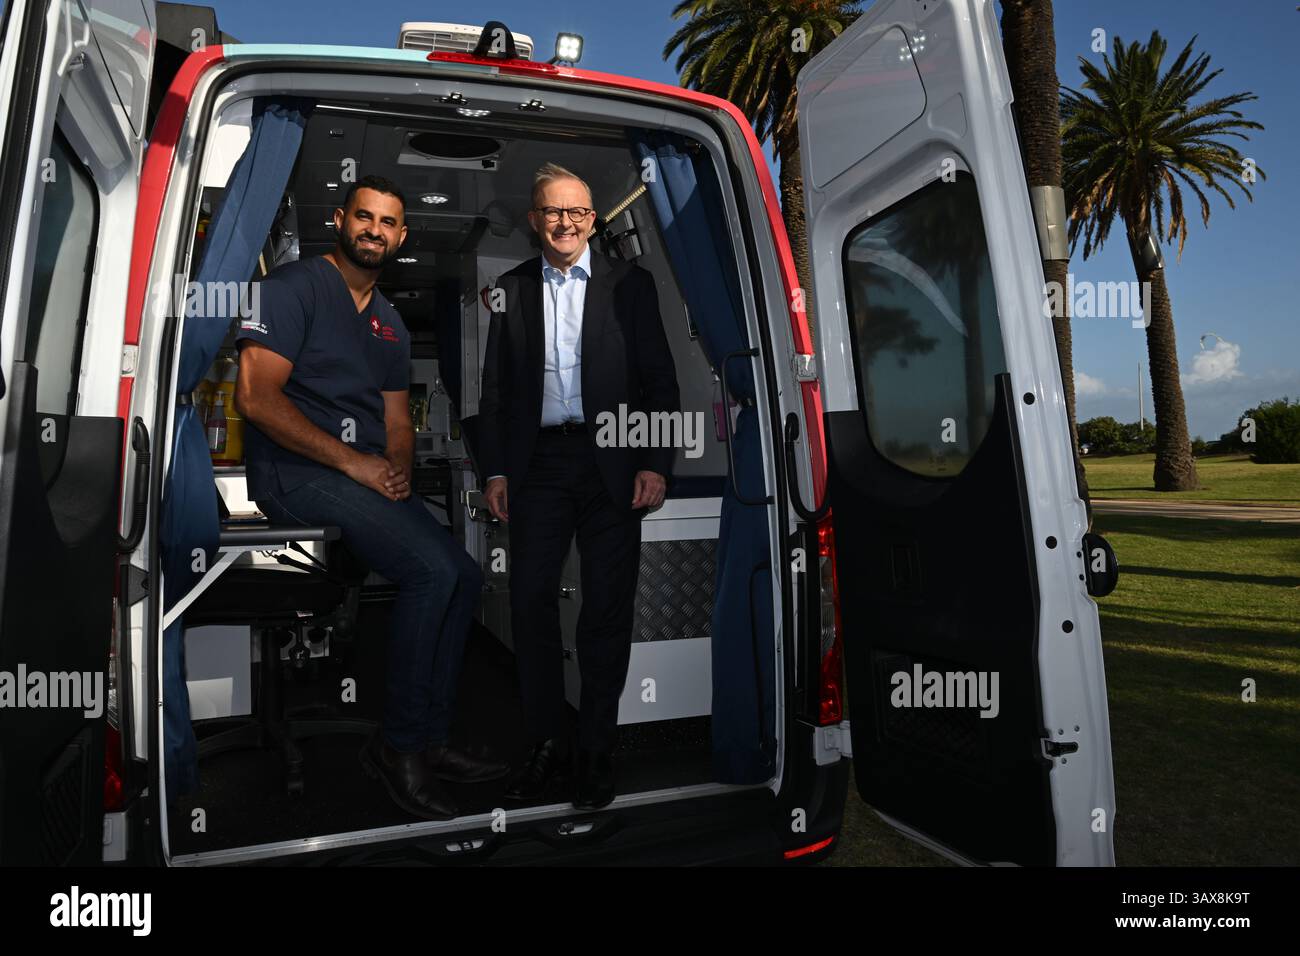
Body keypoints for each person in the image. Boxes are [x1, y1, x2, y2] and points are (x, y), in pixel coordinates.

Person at [234, 174, 507, 820]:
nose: (374, 231)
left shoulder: (389, 324)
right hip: (290, 473)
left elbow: (396, 424)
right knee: (431, 570)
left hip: (355, 475)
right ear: (339, 219)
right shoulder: (292, 288)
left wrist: (398, 469)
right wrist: (358, 465)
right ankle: (398, 750)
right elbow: (256, 398)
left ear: (401, 236)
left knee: (464, 576)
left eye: (387, 223)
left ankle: (432, 739)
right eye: (364, 217)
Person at [478, 162, 680, 809]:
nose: (565, 222)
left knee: (606, 609)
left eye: (578, 211)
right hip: (538, 469)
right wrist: (496, 469)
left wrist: (656, 462)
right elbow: (496, 393)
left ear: (593, 220)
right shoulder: (509, 289)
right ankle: (546, 744)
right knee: (532, 601)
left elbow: (659, 379)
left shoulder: (632, 284)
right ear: (535, 220)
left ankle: (595, 748)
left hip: (615, 464)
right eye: (552, 211)